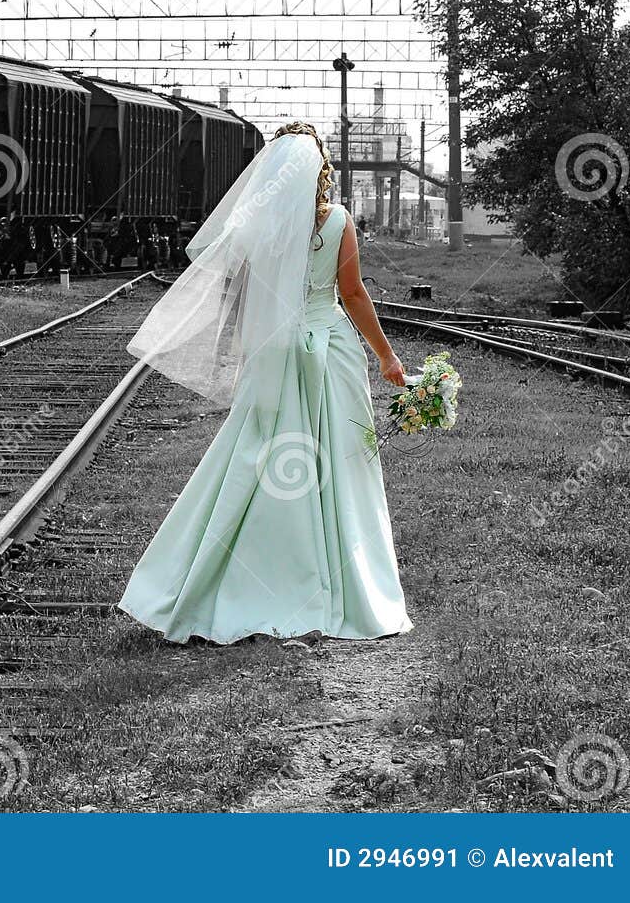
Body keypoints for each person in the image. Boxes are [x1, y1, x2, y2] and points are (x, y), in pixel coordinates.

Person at [118, 122, 413, 645]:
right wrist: (387, 359)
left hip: (273, 350)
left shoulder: (256, 226)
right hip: (332, 351)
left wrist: (250, 348)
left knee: (256, 454)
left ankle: (228, 574)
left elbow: (243, 295)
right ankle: (339, 577)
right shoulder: (339, 222)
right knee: (340, 461)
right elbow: (353, 294)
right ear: (320, 170)